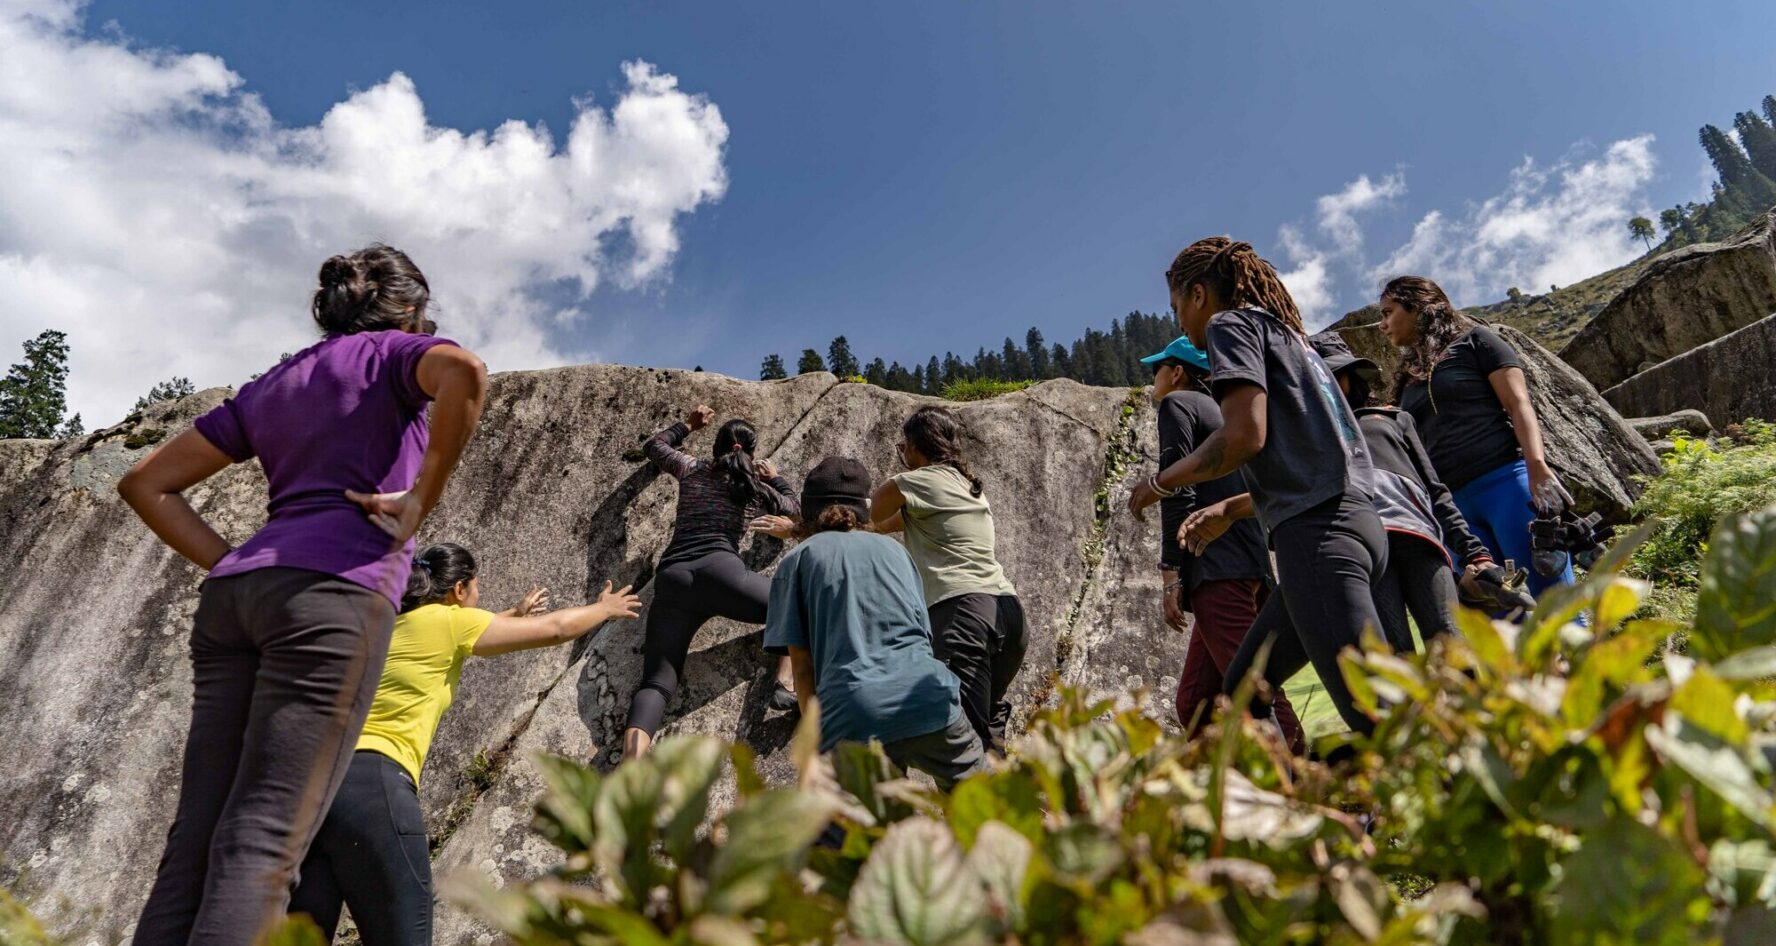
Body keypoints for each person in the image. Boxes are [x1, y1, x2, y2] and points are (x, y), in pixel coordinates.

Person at [119, 245, 488, 944]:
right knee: (264, 837)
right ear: (411, 310)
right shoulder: (396, 355)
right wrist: (420, 498)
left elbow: (145, 483)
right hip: (336, 594)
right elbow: (466, 373)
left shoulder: (277, 381)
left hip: (238, 597)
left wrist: (231, 561)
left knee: (197, 834)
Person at [288, 543, 640, 945]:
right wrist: (604, 609)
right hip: (375, 787)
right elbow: (555, 629)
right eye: (475, 589)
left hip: (312, 795)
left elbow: (458, 635)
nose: (478, 598)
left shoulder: (384, 629)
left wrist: (513, 615)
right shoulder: (452, 623)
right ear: (458, 591)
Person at [1130, 237, 1385, 742]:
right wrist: (1231, 508)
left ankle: (1464, 804)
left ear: (1198, 295)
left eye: (1177, 305)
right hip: (1355, 521)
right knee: (1245, 690)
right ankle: (1300, 801)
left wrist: (1160, 483)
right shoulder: (1294, 340)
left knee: (1374, 710)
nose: (1180, 321)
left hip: (1316, 536)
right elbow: (1311, 457)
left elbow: (1244, 436)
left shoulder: (1231, 324)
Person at [765, 457, 985, 790]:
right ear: (864, 508)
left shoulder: (798, 560)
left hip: (853, 712)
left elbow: (803, 668)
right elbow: (924, 636)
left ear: (810, 509)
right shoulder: (896, 552)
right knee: (986, 812)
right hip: (929, 696)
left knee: (859, 833)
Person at [1140, 335, 1299, 747]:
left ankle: (1303, 772)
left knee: (1252, 688)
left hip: (1215, 565)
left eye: (1157, 367)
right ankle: (1230, 787)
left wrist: (1169, 575)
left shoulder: (1178, 404)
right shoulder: (1229, 415)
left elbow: (1179, 490)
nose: (1153, 376)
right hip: (1253, 565)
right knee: (1195, 702)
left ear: (1176, 372)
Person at [1378, 276, 1575, 597]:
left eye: (1388, 312)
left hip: (1506, 484)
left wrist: (1537, 466)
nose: (1382, 324)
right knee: (1499, 608)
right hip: (1454, 508)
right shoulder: (1408, 376)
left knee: (1551, 597)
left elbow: (1517, 403)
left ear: (1416, 306)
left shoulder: (1478, 342)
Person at [624, 405, 800, 759]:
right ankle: (787, 683)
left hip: (673, 578)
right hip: (723, 574)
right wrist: (774, 478)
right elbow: (795, 510)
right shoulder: (755, 488)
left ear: (716, 448)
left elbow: (655, 446)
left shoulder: (691, 469)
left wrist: (688, 425)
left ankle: (630, 766)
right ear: (750, 453)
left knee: (657, 683)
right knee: (799, 604)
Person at [1311, 333, 1493, 651]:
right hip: (1365, 547)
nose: (1325, 386)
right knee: (1395, 653)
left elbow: (1435, 489)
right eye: (1317, 379)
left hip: (1419, 538)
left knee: (1449, 639)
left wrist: (1474, 551)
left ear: (1350, 377)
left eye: (1332, 376)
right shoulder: (1314, 436)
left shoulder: (1394, 418)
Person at [869, 406, 1027, 753]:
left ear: (914, 446)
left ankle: (979, 803)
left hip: (963, 614)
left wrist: (802, 524)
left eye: (903, 445)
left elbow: (868, 513)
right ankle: (1006, 800)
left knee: (964, 740)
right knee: (985, 730)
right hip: (1008, 613)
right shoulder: (968, 486)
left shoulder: (914, 482)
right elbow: (888, 524)